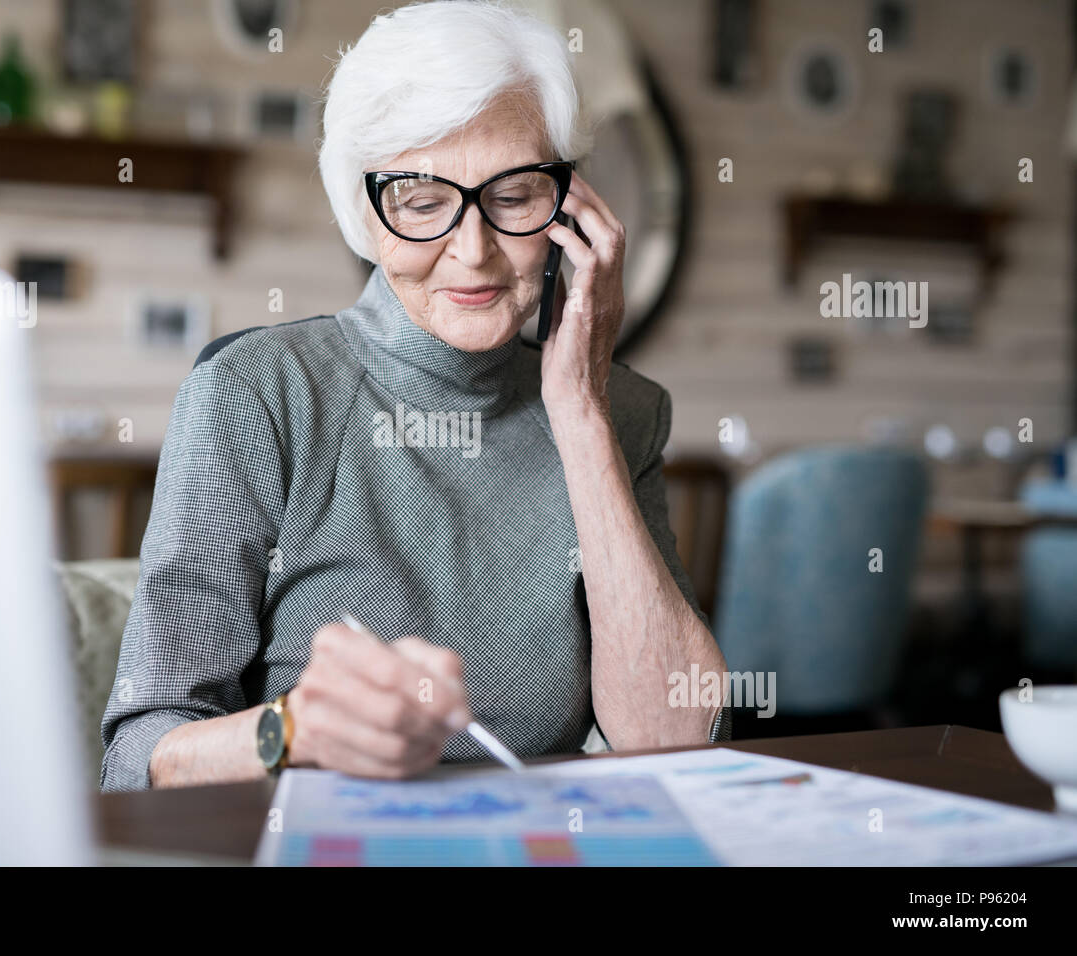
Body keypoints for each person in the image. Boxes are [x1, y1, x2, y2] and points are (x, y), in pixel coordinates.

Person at [100, 0, 730, 792]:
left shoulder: (623, 414)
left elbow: (676, 739)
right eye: (422, 201)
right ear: (365, 216)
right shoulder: (256, 395)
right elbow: (137, 759)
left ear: (568, 208)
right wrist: (287, 731)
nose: (473, 253)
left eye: (513, 197)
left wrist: (579, 413)